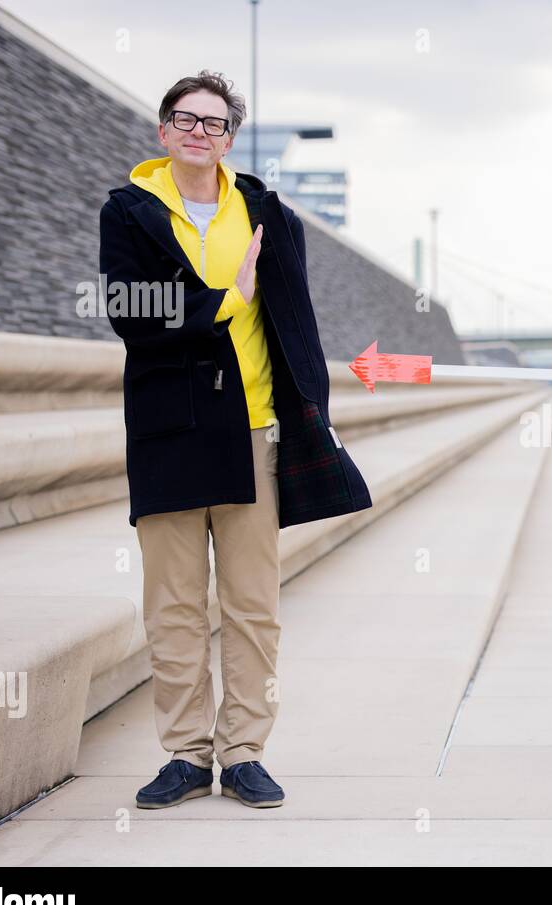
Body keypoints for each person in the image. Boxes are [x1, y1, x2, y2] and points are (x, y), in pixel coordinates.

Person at [99, 71, 374, 811]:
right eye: (186, 119)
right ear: (163, 132)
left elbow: (296, 316)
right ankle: (187, 754)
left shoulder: (261, 208)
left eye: (215, 123)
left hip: (254, 431)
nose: (200, 131)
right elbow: (129, 310)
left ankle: (245, 748)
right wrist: (226, 299)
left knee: (253, 604)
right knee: (175, 606)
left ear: (229, 138)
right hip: (167, 435)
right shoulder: (129, 211)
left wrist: (310, 404)